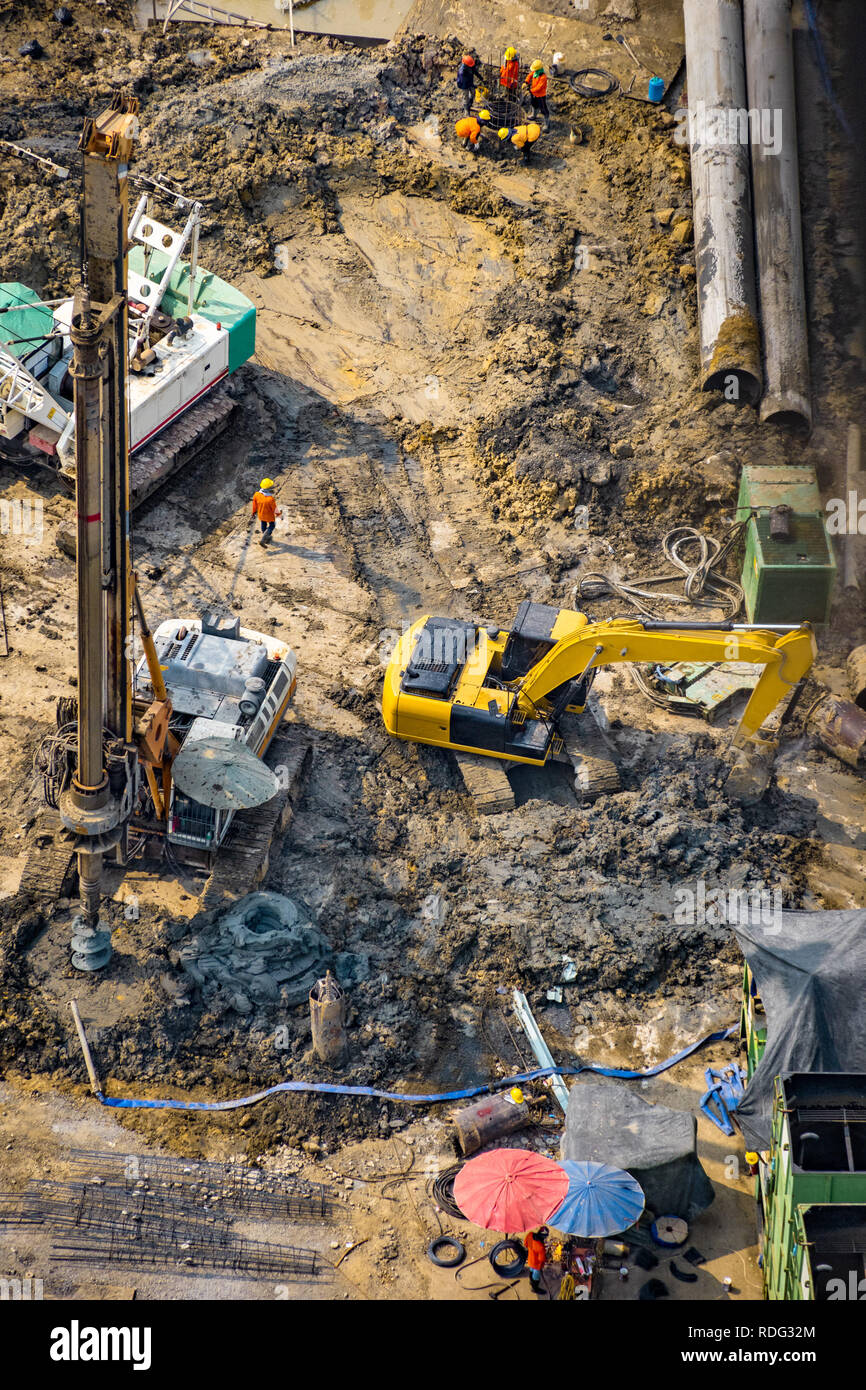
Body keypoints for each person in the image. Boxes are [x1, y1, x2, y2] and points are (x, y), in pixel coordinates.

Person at [251, 477, 282, 546]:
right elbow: (275, 509)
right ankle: (264, 539)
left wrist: (253, 513)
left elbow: (254, 505)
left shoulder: (256, 495)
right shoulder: (270, 499)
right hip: (269, 516)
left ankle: (266, 537)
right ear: (268, 488)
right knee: (272, 526)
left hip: (261, 514)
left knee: (263, 524)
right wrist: (279, 515)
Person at [524, 58, 550, 131]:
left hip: (540, 95)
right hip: (534, 94)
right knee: (533, 104)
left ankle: (546, 123)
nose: (533, 71)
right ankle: (534, 115)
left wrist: (530, 90)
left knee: (543, 108)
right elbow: (529, 75)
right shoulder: (535, 72)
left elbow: (539, 87)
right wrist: (526, 81)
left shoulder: (543, 77)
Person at [524, 1226, 548, 1294]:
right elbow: (541, 1259)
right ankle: (535, 1288)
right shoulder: (540, 1247)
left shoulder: (530, 1235)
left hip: (530, 1259)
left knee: (531, 1271)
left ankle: (531, 1282)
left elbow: (525, 1244)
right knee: (536, 1277)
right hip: (536, 1265)